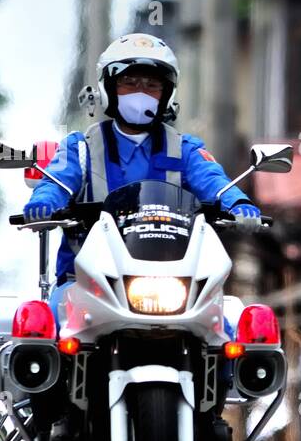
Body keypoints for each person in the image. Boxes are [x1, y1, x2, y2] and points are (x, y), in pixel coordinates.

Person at [22, 32, 261, 316]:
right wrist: (46, 200)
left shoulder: (184, 149)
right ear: (108, 89)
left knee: (230, 329)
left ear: (167, 94)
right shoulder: (81, 148)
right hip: (86, 281)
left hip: (173, 279)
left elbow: (213, 181)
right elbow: (57, 181)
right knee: (48, 327)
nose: (140, 93)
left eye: (152, 86)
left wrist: (238, 204)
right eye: (129, 83)